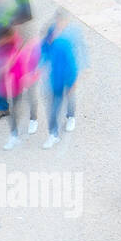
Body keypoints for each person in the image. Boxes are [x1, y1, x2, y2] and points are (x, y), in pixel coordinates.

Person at [39, 10, 85, 146]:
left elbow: (72, 62)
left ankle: (71, 116)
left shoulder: (66, 41)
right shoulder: (51, 32)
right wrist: (43, 64)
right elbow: (44, 48)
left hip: (66, 76)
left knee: (69, 97)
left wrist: (74, 81)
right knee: (54, 106)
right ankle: (53, 134)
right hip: (54, 77)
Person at [0, 27, 41, 150]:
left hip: (27, 76)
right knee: (15, 108)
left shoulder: (21, 44)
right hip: (15, 82)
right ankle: (14, 135)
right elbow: (0, 64)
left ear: (8, 37)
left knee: (31, 98)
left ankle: (33, 118)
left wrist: (30, 75)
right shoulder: (1, 47)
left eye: (1, 39)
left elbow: (30, 59)